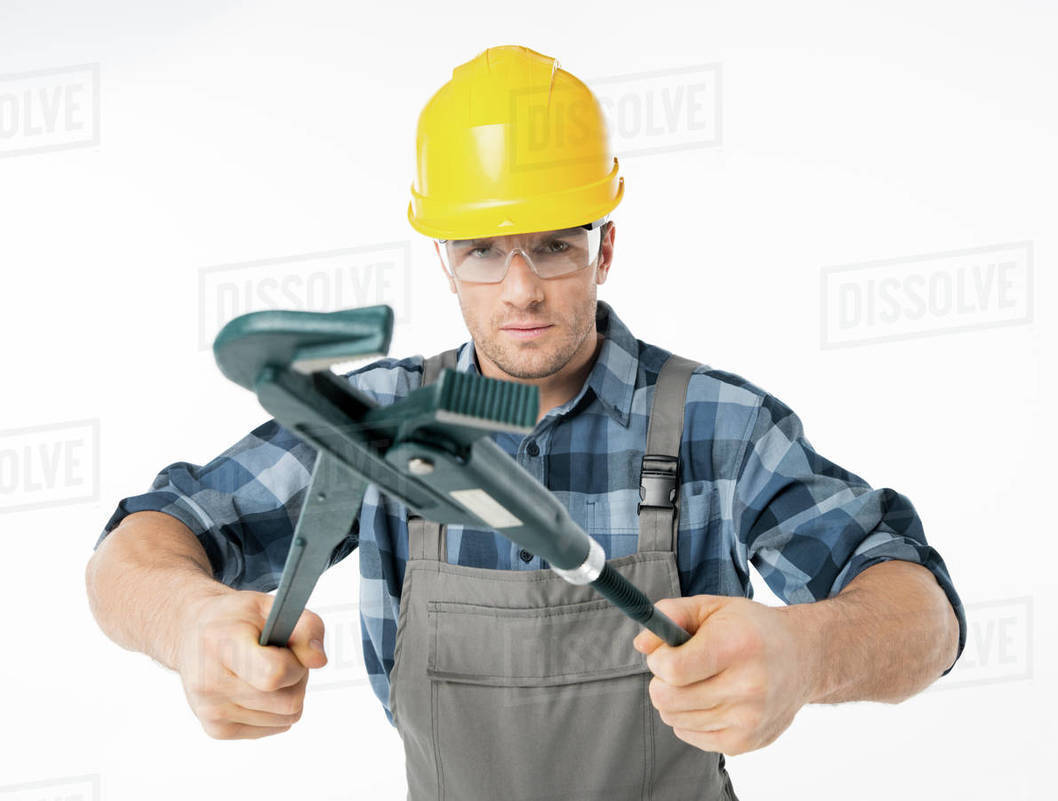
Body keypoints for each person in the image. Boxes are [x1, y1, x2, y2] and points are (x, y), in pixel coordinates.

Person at [86, 44, 966, 801]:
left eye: (553, 244)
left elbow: (923, 613)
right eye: (481, 250)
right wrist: (188, 622)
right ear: (444, 262)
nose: (520, 290)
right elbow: (139, 545)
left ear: (603, 247)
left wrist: (807, 653)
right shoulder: (373, 422)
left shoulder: (720, 426)